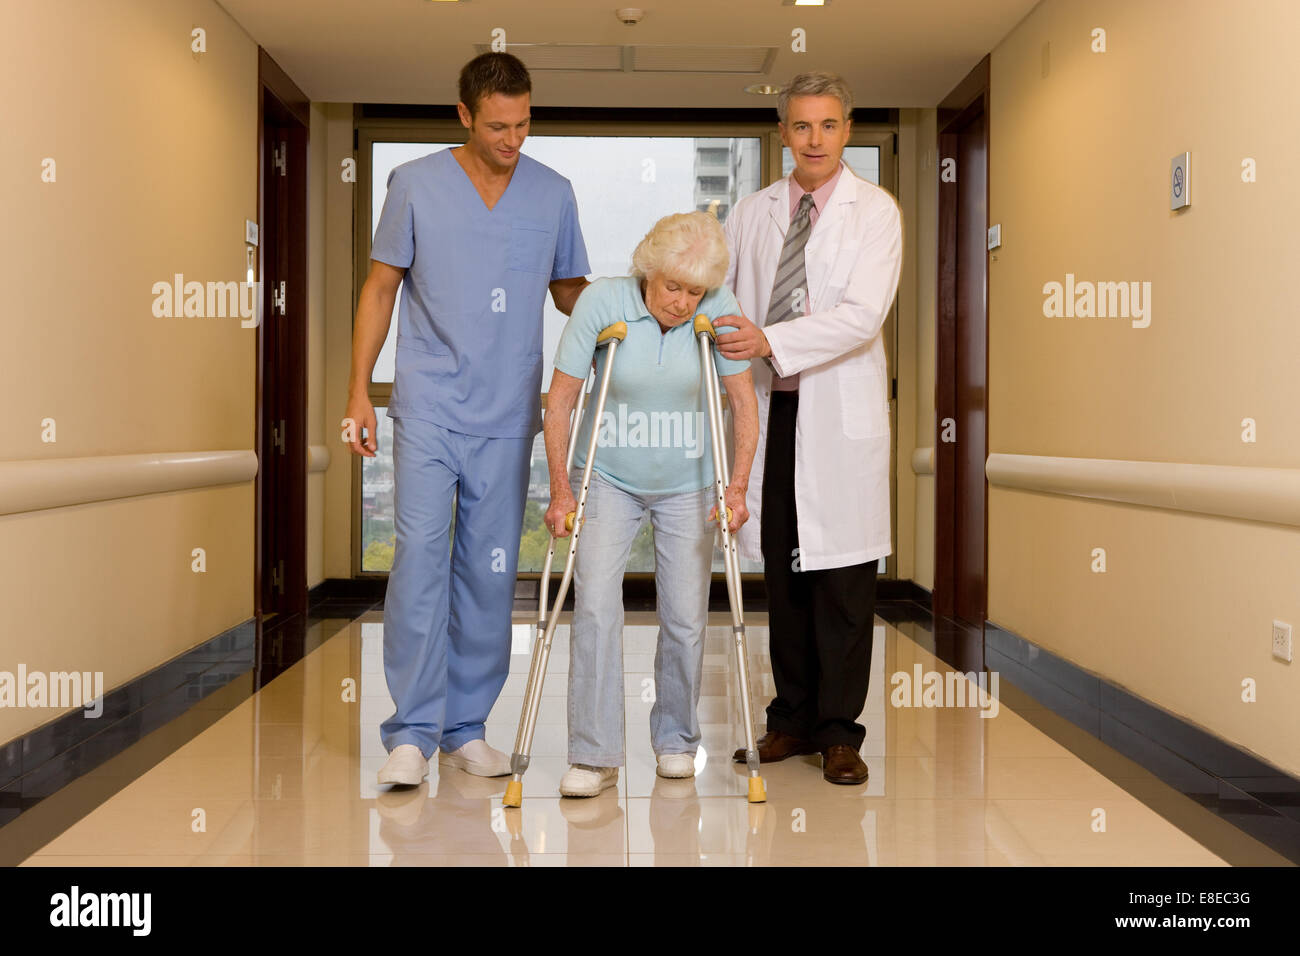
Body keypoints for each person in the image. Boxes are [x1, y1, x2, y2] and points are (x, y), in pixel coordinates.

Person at [345, 53, 591, 786]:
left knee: (489, 573)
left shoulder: (553, 193)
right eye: (497, 126)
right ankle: (411, 733)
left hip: (509, 412)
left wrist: (635, 311)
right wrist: (359, 391)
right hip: (427, 407)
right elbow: (380, 289)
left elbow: (570, 291)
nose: (512, 139)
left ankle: (466, 727)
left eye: (522, 124)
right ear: (464, 116)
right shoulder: (416, 184)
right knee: (418, 562)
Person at [714, 72, 903, 785]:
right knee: (786, 574)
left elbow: (862, 316)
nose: (814, 139)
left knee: (844, 582)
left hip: (836, 411)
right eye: (800, 127)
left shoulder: (874, 212)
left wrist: (771, 341)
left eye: (827, 126)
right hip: (773, 411)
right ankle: (788, 721)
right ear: (784, 134)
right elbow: (728, 296)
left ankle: (840, 733)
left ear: (846, 130)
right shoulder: (753, 210)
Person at [543, 212, 758, 797]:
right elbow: (561, 402)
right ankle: (594, 754)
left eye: (694, 292)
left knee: (686, 616)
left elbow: (741, 404)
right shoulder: (601, 303)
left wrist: (735, 488)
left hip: (690, 479)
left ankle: (676, 740)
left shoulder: (719, 305)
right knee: (594, 607)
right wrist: (562, 489)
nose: (684, 303)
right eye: (673, 288)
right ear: (648, 270)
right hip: (607, 473)